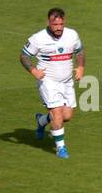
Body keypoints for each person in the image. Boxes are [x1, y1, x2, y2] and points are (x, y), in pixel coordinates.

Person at [20, 8, 83, 159]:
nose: (59, 28)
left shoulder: (72, 35)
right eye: (55, 25)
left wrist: (81, 66)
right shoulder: (38, 38)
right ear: (49, 22)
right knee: (57, 115)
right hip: (48, 82)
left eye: (61, 24)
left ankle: (41, 120)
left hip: (67, 82)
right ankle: (61, 148)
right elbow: (24, 56)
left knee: (67, 116)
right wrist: (33, 70)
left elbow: (79, 51)